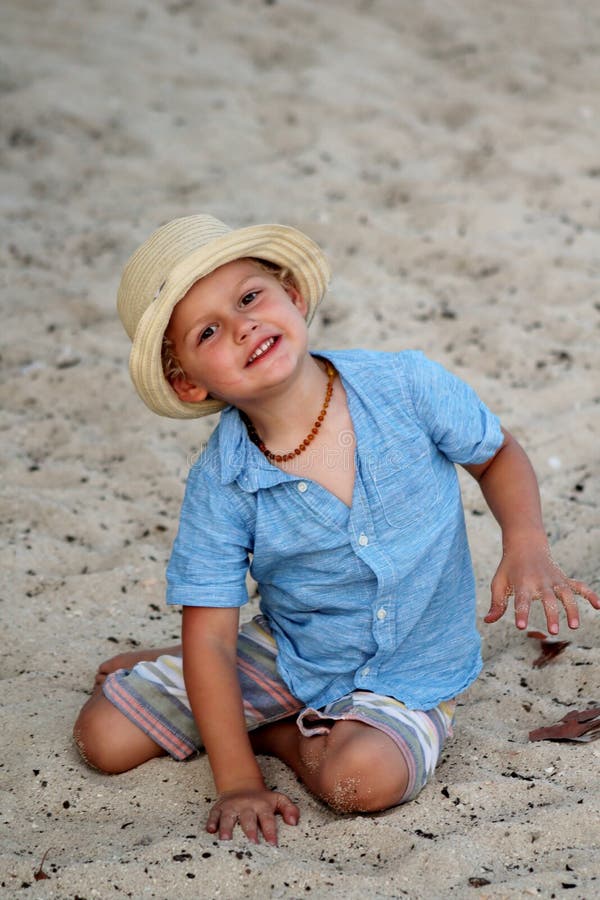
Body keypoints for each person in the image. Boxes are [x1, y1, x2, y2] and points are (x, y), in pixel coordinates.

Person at [73, 214, 599, 846]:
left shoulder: (403, 385)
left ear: (292, 297)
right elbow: (211, 638)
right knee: (102, 738)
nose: (243, 326)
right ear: (188, 382)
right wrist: (237, 783)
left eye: (249, 298)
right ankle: (243, 717)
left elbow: (496, 454)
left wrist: (527, 543)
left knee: (360, 783)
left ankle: (274, 734)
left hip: (413, 668)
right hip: (295, 652)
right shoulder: (222, 482)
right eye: (209, 330)